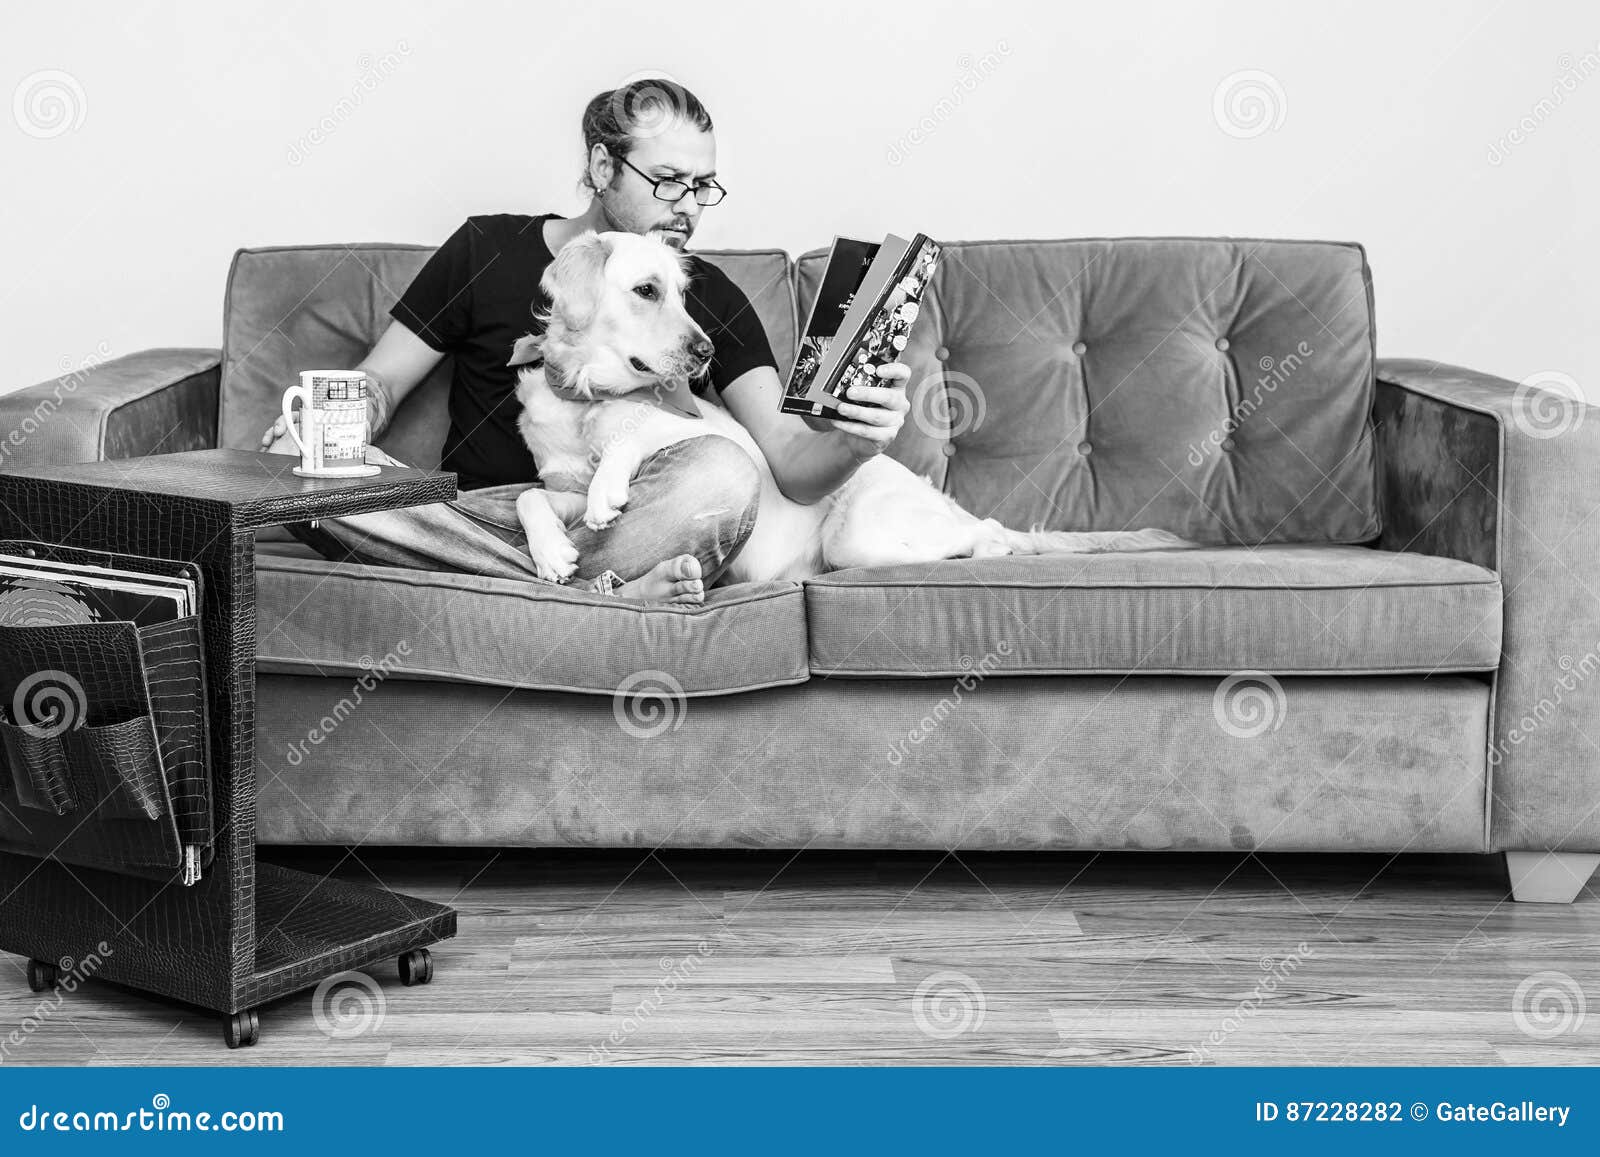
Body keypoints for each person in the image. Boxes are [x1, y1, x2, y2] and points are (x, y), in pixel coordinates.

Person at [262, 79, 912, 605]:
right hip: (481, 517)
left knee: (725, 473)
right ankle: (605, 597)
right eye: (668, 180)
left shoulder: (706, 294)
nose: (688, 205)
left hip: (626, 521)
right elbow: (383, 380)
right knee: (299, 479)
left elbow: (791, 464)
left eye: (703, 185)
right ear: (603, 166)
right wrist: (328, 429)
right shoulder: (484, 250)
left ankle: (524, 591)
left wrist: (856, 441)